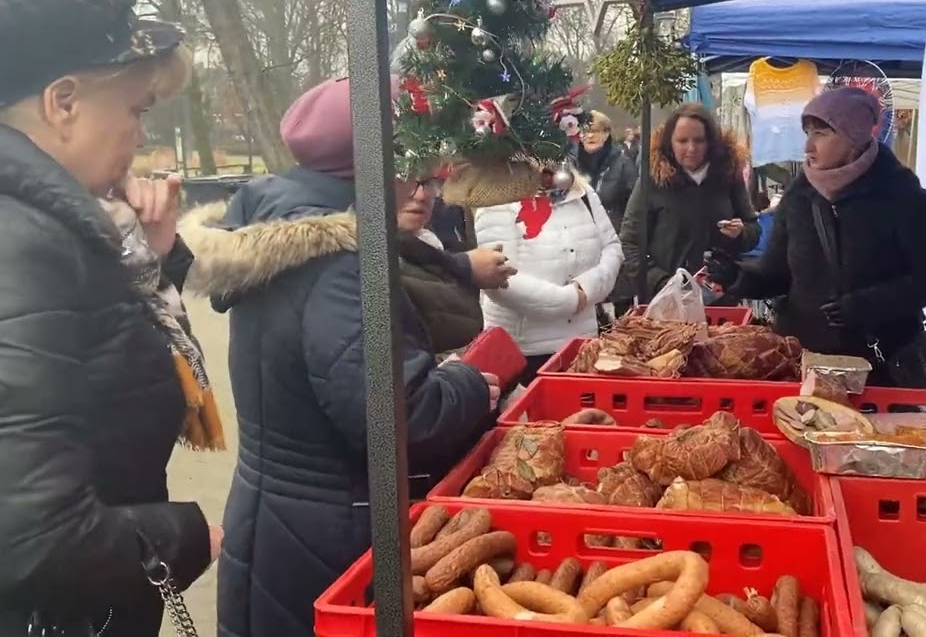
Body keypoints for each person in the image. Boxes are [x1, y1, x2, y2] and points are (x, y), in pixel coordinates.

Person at [179, 76, 500, 637]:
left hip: (274, 517)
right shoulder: (345, 265)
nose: (426, 185)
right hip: (330, 532)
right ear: (377, 165)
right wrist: (469, 383)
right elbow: (400, 418)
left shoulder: (274, 229)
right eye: (415, 165)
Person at [0, 0, 216, 636]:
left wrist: (153, 260)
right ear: (62, 102)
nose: (140, 134)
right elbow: (33, 537)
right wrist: (184, 539)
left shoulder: (49, 228)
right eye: (136, 108)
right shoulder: (27, 244)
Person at [707, 87, 926, 387]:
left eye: (821, 133)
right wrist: (738, 276)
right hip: (805, 365)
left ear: (853, 138)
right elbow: (776, 273)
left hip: (881, 369)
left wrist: (868, 304)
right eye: (807, 132)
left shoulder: (902, 196)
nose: (808, 146)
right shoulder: (799, 195)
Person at [474, 168, 623, 385]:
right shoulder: (498, 200)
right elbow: (498, 277)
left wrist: (587, 287)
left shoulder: (582, 193)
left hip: (583, 347)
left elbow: (612, 248)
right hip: (524, 355)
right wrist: (570, 300)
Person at [620, 102, 761, 302]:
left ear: (710, 141)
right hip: (667, 303)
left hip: (720, 302)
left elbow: (753, 229)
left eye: (699, 140)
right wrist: (662, 283)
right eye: (682, 141)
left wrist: (741, 233)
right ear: (670, 142)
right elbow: (630, 242)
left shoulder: (728, 175)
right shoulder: (652, 182)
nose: (691, 148)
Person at [397, 171, 515, 353]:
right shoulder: (366, 260)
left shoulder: (432, 240)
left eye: (430, 183)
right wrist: (465, 268)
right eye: (405, 180)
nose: (422, 195)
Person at [573, 110, 638, 315]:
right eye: (585, 131)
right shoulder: (572, 162)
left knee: (621, 295)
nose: (590, 136)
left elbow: (633, 201)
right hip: (581, 236)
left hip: (614, 234)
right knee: (588, 293)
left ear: (607, 133)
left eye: (596, 131)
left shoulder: (621, 161)